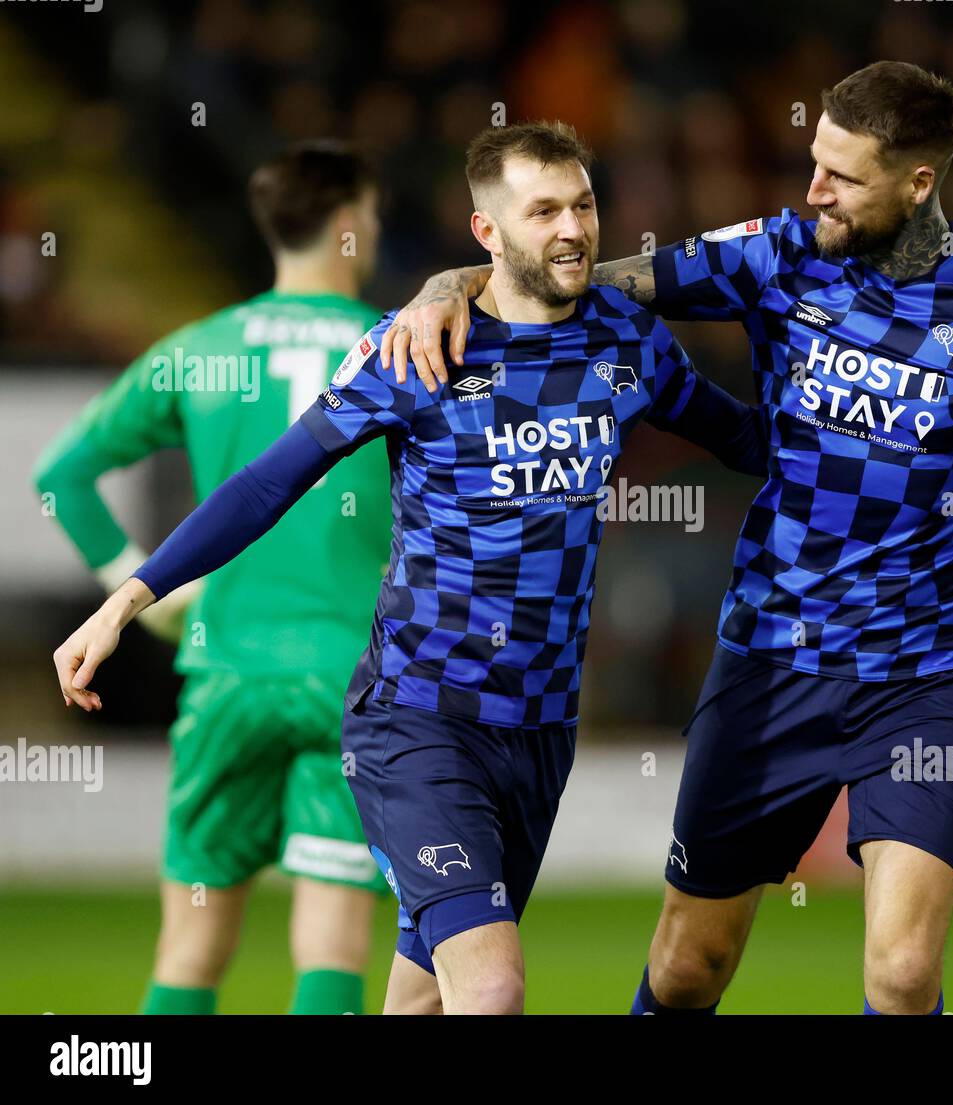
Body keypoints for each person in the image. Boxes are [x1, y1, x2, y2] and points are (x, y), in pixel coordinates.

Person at [380, 62, 953, 1015]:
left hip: (929, 676)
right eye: (814, 162)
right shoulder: (779, 252)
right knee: (690, 966)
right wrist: (450, 281)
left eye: (842, 176)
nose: (813, 189)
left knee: (902, 975)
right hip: (771, 663)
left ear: (919, 182)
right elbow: (575, 282)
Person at [52, 120, 768, 1015]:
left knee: (422, 997)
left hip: (540, 728)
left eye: (583, 204)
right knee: (493, 986)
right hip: (419, 719)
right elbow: (266, 484)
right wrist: (126, 600)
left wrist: (921, 453)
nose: (573, 228)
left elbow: (742, 435)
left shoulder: (627, 339)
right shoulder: (416, 349)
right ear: (487, 233)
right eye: (542, 209)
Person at [33, 140, 394, 1014]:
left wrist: (139, 593)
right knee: (331, 943)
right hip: (348, 674)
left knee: (192, 946)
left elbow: (62, 474)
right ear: (348, 224)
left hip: (226, 665)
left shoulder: (202, 346)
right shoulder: (398, 347)